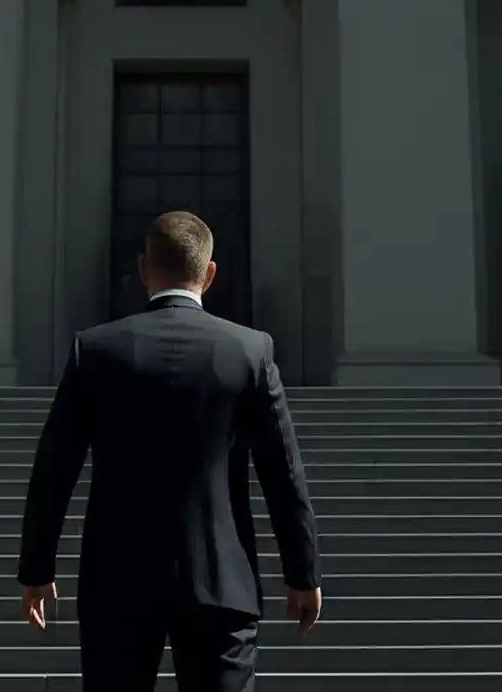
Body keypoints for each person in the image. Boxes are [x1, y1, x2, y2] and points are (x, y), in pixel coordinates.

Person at [17, 210, 322, 691]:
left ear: (143, 270)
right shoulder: (249, 350)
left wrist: (37, 566)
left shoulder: (95, 350)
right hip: (221, 584)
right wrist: (302, 572)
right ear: (210, 273)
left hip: (117, 582)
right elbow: (283, 471)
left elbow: (55, 466)